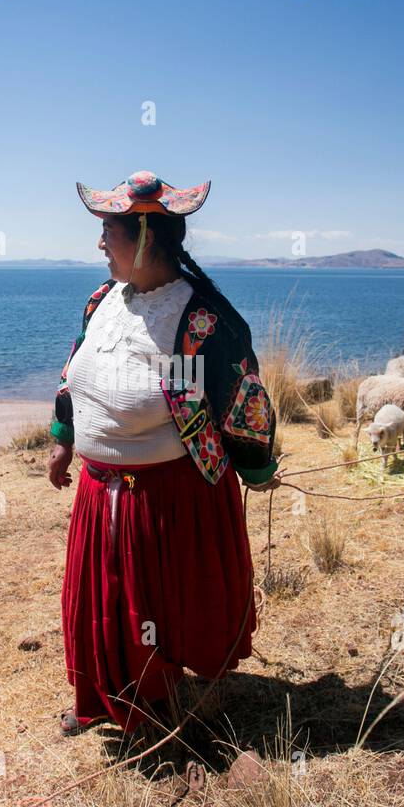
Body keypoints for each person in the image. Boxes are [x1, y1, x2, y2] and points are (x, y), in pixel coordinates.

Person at [48, 170, 280, 737]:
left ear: (146, 238)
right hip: (99, 494)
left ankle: (156, 712)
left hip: (167, 503)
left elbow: (236, 399)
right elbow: (74, 374)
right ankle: (106, 697)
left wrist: (256, 466)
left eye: (109, 231)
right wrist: (63, 438)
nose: (100, 242)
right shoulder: (103, 301)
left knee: (153, 614)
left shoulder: (197, 323)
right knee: (104, 609)